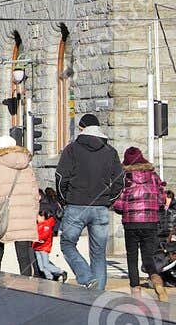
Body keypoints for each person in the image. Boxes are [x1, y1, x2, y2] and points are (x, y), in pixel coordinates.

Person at [54, 112, 125, 290]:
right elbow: (120, 180)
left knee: (68, 244)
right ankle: (97, 294)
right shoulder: (110, 151)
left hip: (76, 204)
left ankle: (85, 277)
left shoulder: (72, 149)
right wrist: (109, 200)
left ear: (81, 128)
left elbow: (61, 177)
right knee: (99, 253)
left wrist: (64, 199)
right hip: (100, 206)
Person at [0, 133, 39, 276]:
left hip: (1, 214)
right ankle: (27, 286)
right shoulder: (26, 165)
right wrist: (33, 214)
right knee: (24, 256)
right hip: (25, 216)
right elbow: (35, 194)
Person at [112, 146, 168, 301]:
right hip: (150, 222)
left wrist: (122, 209)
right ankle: (157, 283)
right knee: (148, 257)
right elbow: (162, 200)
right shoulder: (153, 176)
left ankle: (135, 292)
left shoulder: (125, 178)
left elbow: (118, 204)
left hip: (131, 223)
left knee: (132, 257)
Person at [33, 211, 67, 280]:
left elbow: (44, 236)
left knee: (46, 264)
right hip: (37, 247)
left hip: (44, 248)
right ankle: (49, 277)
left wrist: (37, 239)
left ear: (43, 217)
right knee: (41, 267)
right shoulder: (38, 224)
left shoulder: (47, 225)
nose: (37, 219)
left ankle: (61, 271)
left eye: (38, 217)